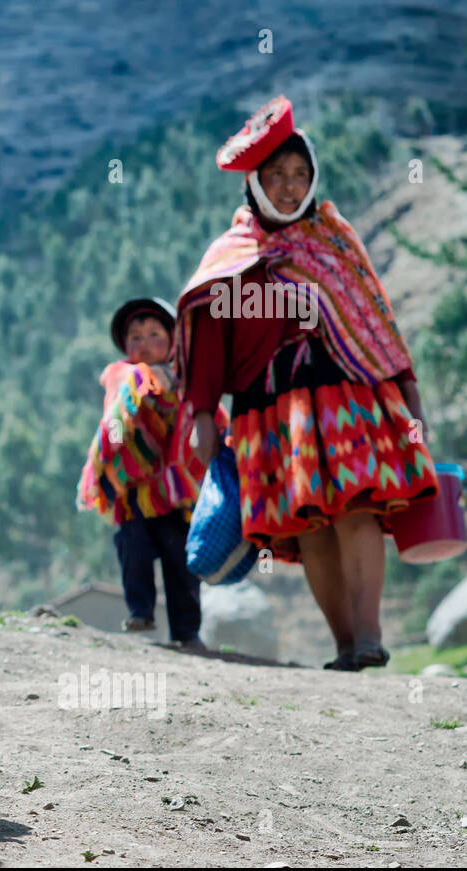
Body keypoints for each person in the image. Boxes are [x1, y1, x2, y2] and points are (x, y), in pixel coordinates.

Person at [173, 95, 437, 671]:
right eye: (277, 176)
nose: (291, 187)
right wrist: (199, 417)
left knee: (357, 508)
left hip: (350, 395)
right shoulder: (233, 256)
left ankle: (369, 636)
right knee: (307, 523)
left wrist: (410, 394)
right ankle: (344, 646)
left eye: (301, 174)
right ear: (255, 183)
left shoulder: (335, 240)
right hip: (268, 410)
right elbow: (210, 340)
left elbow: (376, 318)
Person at [77, 297, 222, 646]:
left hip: (178, 496)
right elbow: (115, 426)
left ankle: (187, 633)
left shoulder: (188, 384)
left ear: (174, 342)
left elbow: (207, 422)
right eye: (135, 336)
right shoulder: (122, 378)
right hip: (134, 493)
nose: (143, 342)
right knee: (133, 547)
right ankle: (139, 613)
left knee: (181, 563)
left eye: (155, 334)